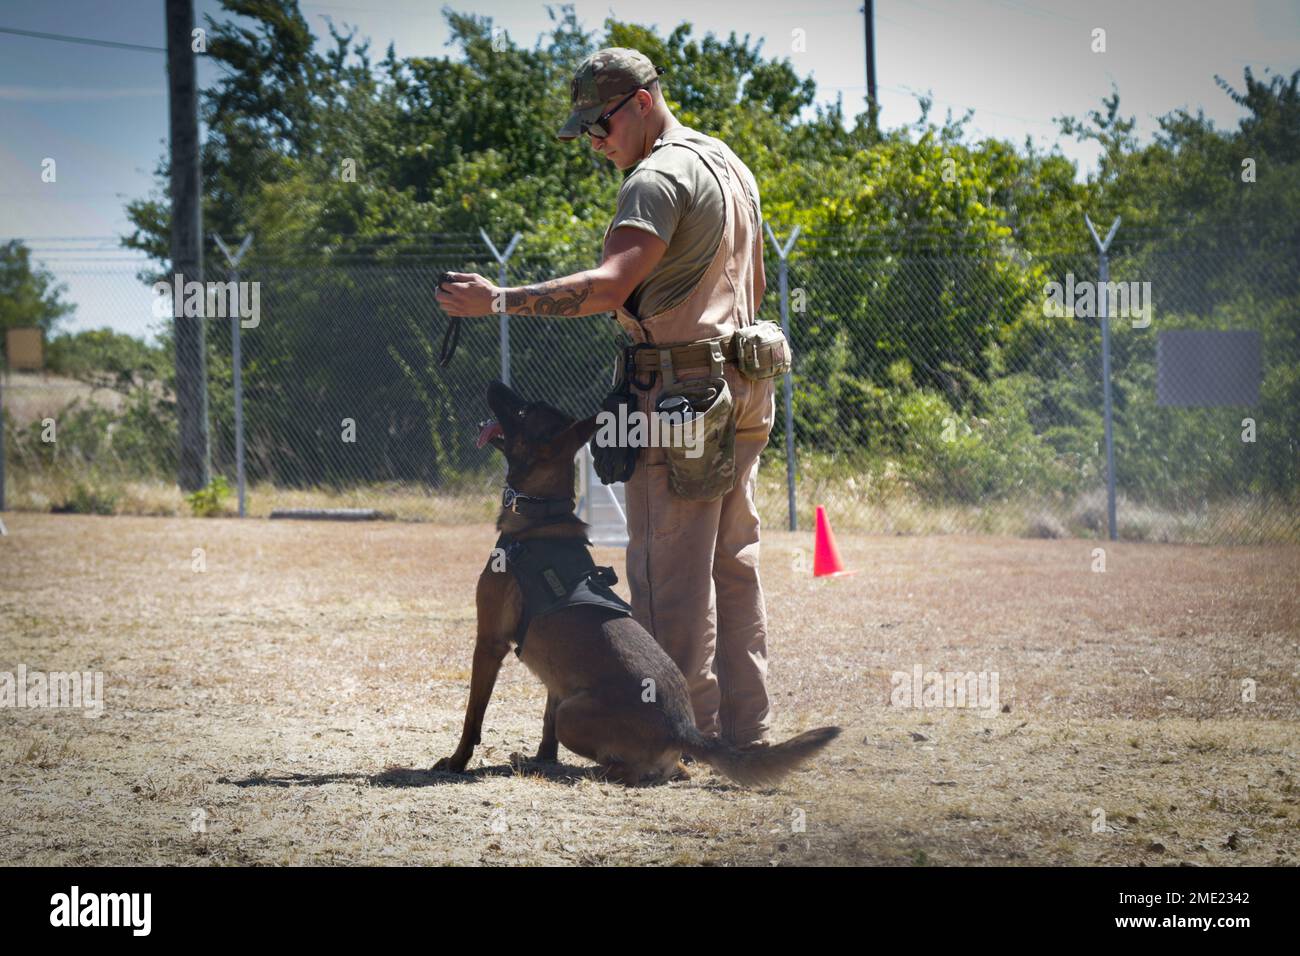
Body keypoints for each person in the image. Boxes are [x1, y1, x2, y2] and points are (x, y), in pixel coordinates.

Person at [436, 47, 778, 751]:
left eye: (601, 122)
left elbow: (609, 287)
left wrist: (496, 300)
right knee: (733, 566)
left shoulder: (655, 179)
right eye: (585, 128)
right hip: (745, 386)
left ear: (644, 102)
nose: (594, 140)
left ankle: (682, 741)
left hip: (684, 396)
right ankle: (748, 735)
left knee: (668, 575)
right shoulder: (729, 165)